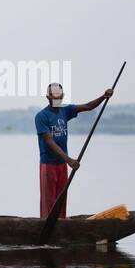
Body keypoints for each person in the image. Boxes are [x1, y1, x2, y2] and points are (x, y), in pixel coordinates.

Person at [35, 82, 113, 218]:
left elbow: (88, 107)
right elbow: (49, 142)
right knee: (49, 203)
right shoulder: (42, 116)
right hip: (48, 165)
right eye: (54, 98)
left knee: (61, 200)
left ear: (63, 96)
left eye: (59, 97)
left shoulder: (65, 111)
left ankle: (61, 225)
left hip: (62, 165)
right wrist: (69, 160)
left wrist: (104, 96)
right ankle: (46, 227)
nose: (57, 100)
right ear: (48, 97)